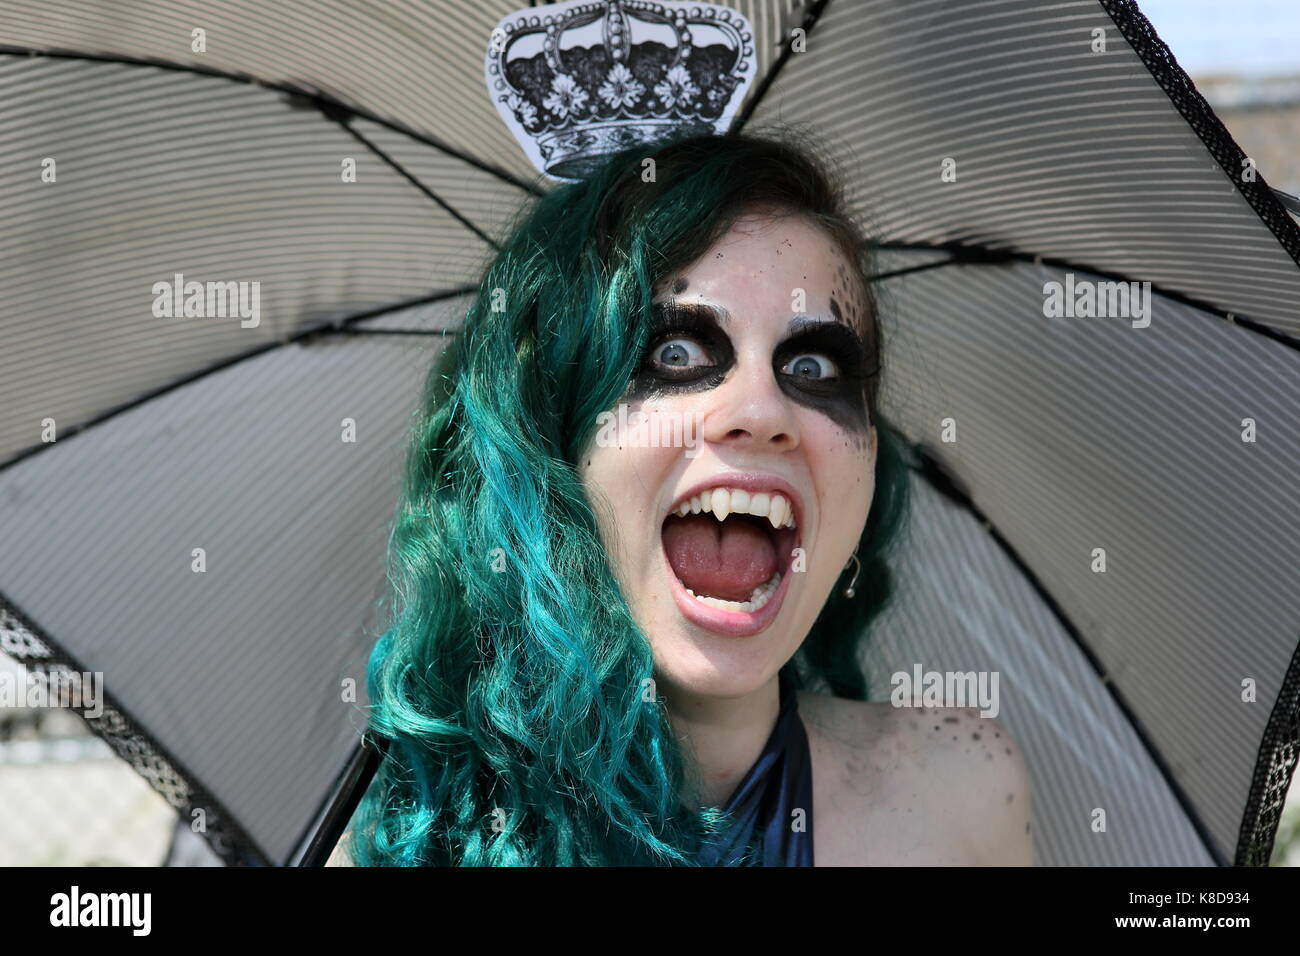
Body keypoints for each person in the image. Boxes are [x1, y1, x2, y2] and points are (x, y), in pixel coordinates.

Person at [333, 127, 1031, 866]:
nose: (762, 412)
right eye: (676, 353)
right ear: (550, 443)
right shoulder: (400, 836)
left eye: (816, 366)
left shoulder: (965, 785)